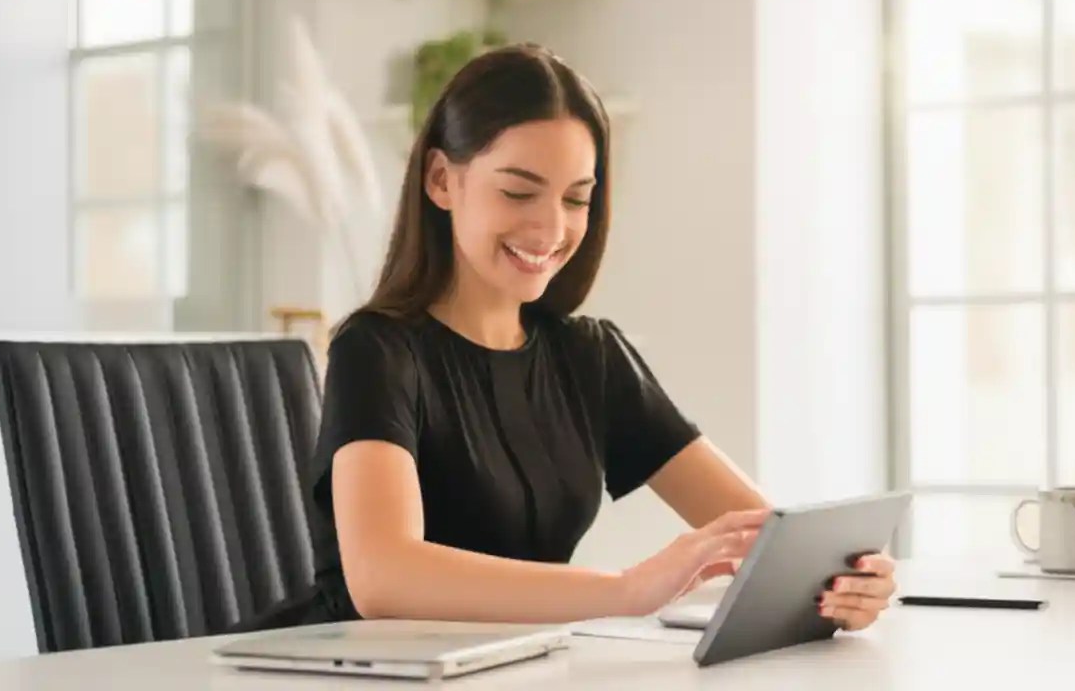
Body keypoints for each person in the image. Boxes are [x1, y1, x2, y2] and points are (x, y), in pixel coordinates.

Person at [297, 43, 896, 631]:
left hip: (507, 670)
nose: (551, 227)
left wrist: (841, 583)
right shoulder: (376, 351)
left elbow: (763, 538)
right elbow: (383, 577)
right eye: (518, 191)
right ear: (440, 180)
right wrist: (628, 590)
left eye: (576, 198)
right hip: (345, 671)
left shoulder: (588, 356)